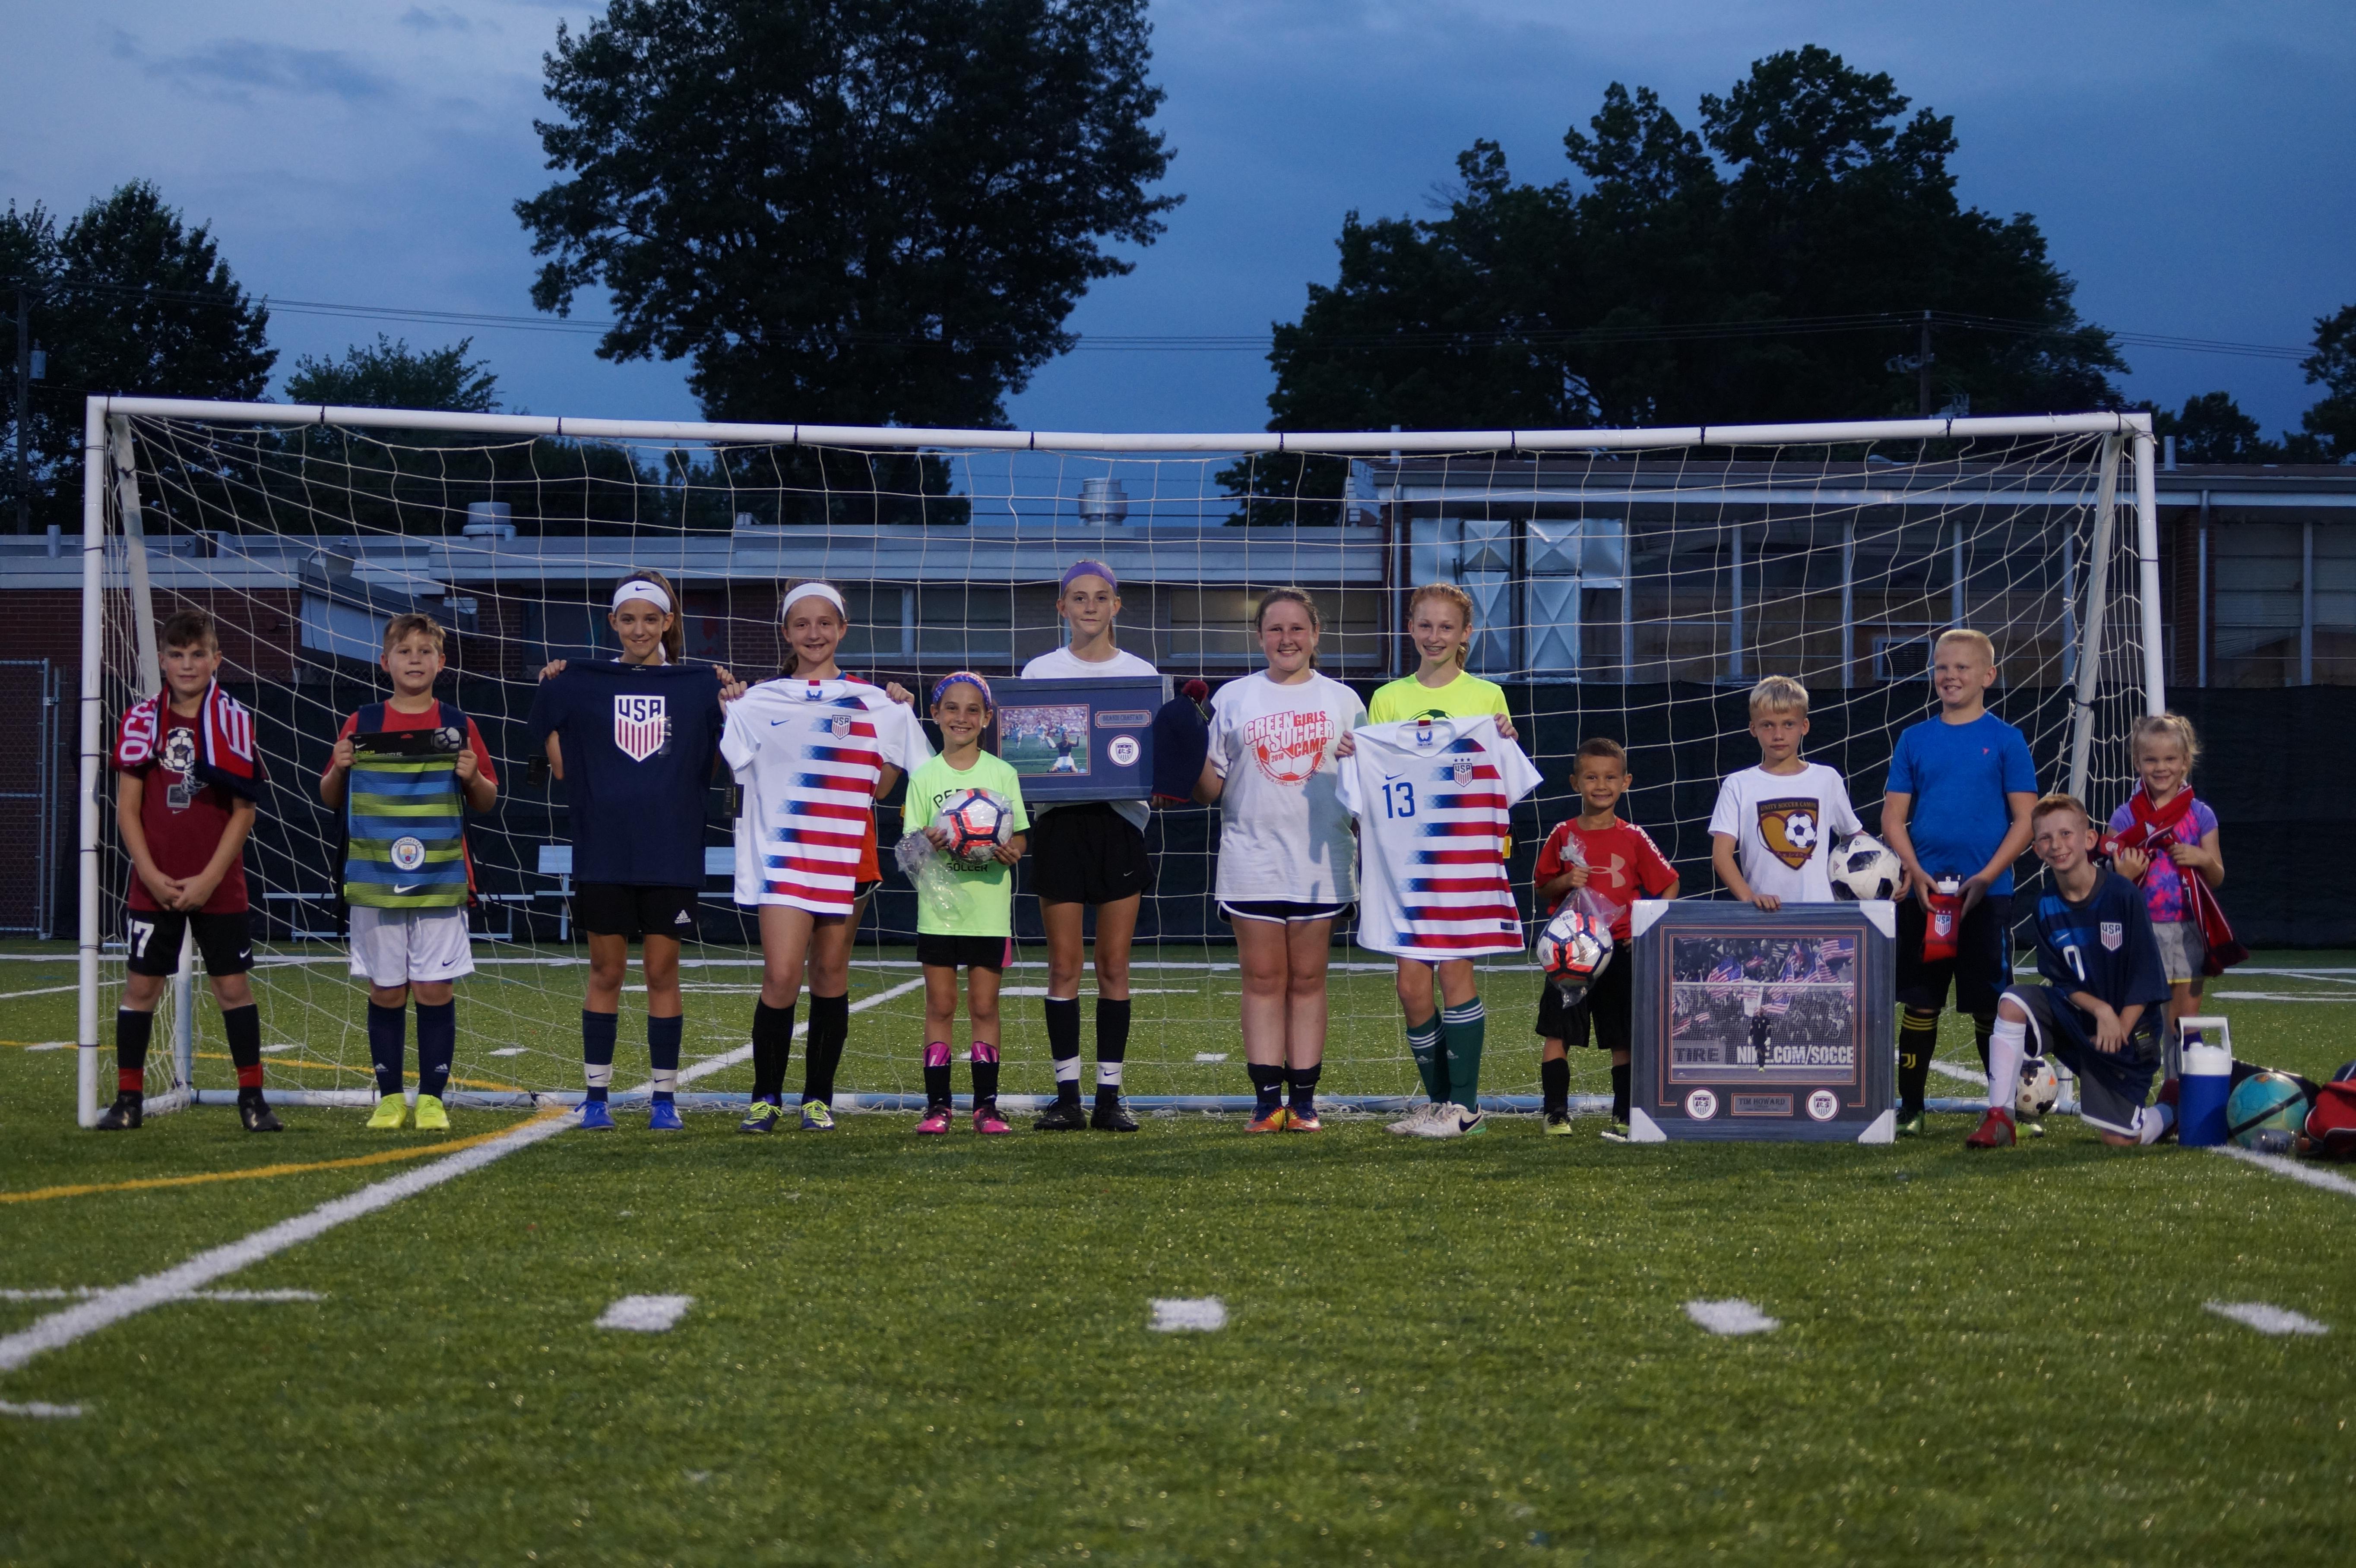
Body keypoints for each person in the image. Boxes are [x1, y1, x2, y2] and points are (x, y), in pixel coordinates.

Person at [529, 572, 741, 1131]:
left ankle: (664, 1100)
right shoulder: (579, 682)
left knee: (662, 970)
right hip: (603, 850)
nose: (640, 629)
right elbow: (560, 764)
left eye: (651, 619)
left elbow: (721, 758)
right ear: (613, 623)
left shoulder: (699, 686)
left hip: (671, 851)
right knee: (605, 970)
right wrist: (554, 683)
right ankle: (596, 1097)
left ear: (668, 622)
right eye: (629, 619)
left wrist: (728, 695)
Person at [722, 582, 931, 1133]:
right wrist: (731, 703)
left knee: (831, 973)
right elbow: (733, 760)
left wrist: (898, 719)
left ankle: (818, 1098)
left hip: (847, 856)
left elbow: (883, 787)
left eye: (824, 623)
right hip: (783, 857)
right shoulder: (757, 700)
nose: (813, 634)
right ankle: (765, 1097)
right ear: (786, 632)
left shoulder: (876, 702)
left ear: (842, 629)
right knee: (781, 975)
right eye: (801, 624)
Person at [1350, 582, 1523, 1138]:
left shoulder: (1487, 697)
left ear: (1465, 633)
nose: (1434, 636)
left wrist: (1506, 738)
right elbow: (1372, 780)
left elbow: (1503, 782)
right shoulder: (1386, 699)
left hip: (1459, 859)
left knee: (1455, 972)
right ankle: (1438, 1103)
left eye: (1446, 626)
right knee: (1409, 986)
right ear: (1409, 628)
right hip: (1403, 866)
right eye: (1424, 625)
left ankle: (1465, 1108)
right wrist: (1352, 753)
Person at [1194, 588, 1365, 1132]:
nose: (1286, 639)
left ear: (1315, 635)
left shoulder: (1345, 700)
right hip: (1251, 860)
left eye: (1296, 628)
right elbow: (1208, 789)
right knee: (1263, 979)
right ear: (1259, 636)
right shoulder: (1233, 698)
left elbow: (1367, 788)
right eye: (1274, 629)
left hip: (1321, 862)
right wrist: (1183, 750)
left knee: (1308, 979)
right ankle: (1268, 1103)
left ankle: (1305, 1102)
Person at [97, 608, 273, 1132]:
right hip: (153, 883)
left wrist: (210, 878)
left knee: (232, 988)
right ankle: (129, 1099)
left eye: (198, 654)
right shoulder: (140, 721)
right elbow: (128, 809)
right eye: (177, 654)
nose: (188, 664)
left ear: (216, 659)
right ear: (162, 660)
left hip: (218, 884)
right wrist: (150, 873)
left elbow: (245, 810)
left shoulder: (234, 720)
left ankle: (253, 1099)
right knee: (141, 988)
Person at [321, 613, 498, 1133]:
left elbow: (487, 799)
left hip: (440, 879)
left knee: (434, 989)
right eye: (405, 651)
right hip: (375, 878)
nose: (415, 659)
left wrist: (473, 777)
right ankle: (391, 1097)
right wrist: (339, 767)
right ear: (385, 662)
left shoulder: (458, 723)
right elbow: (329, 795)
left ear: (441, 662)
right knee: (386, 990)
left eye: (425, 651)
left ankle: (432, 1100)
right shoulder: (363, 720)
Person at [1881, 628, 2038, 1137]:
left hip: (1986, 897)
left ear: (1987, 675)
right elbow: (1891, 817)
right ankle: (1911, 1109)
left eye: (1961, 667)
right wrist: (1913, 870)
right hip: (1925, 895)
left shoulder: (2007, 739)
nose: (1949, 675)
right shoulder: (1914, 738)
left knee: (1991, 1005)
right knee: (1919, 1000)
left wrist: (1987, 876)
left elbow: (2025, 819)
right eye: (1941, 666)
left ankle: (2003, 1108)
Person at [1021, 560, 1159, 1133]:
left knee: (1113, 964)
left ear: (1116, 606)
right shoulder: (1039, 671)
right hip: (1059, 826)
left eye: (1101, 597)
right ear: (1062, 608)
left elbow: (1151, 757)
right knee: (1063, 965)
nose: (1090, 607)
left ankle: (1109, 1097)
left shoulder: (1141, 673)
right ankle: (1066, 1097)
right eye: (1078, 598)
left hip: (1120, 826)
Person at [1968, 793, 2175, 1149]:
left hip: (2128, 1030)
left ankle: (2172, 1108)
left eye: (2066, 834)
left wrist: (2120, 1026)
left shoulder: (2122, 895)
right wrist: (2100, 1009)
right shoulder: (2045, 905)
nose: (2057, 845)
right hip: (2080, 1020)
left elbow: (2146, 976)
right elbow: (2062, 979)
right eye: (2046, 838)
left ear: (2090, 839)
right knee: (2012, 1001)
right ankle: (1999, 1118)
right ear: (2036, 849)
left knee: (2120, 1140)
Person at [1531, 738, 1680, 1138]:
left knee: (1623, 1036)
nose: (1601, 785)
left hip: (1619, 951)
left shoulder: (1634, 836)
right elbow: (1542, 887)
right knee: (1558, 1031)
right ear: (1575, 782)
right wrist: (1565, 881)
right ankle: (1556, 1113)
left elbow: (1670, 883)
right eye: (1592, 777)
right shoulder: (1563, 834)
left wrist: (1646, 927)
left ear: (1626, 782)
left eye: (1610, 778)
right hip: (1569, 953)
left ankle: (1624, 1113)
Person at [903, 672, 1029, 1134]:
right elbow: (908, 850)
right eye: (952, 708)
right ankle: (937, 1107)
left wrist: (1013, 850)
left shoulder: (1002, 774)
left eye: (973, 709)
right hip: (938, 915)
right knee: (940, 1006)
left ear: (987, 718)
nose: (962, 717)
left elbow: (1019, 835)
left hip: (988, 913)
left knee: (984, 1006)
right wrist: (925, 842)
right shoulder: (924, 776)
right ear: (935, 714)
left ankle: (986, 1108)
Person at [2105, 712, 2233, 1083]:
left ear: (2185, 762)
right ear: (2137, 763)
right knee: (2139, 1021)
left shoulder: (2201, 815)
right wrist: (2124, 874)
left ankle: (2179, 1094)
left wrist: (2202, 859)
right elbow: (2109, 884)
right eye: (2151, 760)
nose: (2161, 768)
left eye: (2170, 759)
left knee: (2184, 1023)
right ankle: (2129, 1091)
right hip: (2141, 932)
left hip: (2189, 929)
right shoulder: (2125, 816)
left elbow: (2218, 876)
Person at [1708, 675, 1859, 909]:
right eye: (1768, 725)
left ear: (1804, 726)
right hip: (1764, 916)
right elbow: (1721, 856)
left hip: (1820, 913)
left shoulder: (1827, 779)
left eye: (1788, 724)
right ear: (1753, 729)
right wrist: (1750, 898)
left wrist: (1891, 863)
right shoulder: (1738, 785)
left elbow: (1855, 837)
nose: (1778, 735)